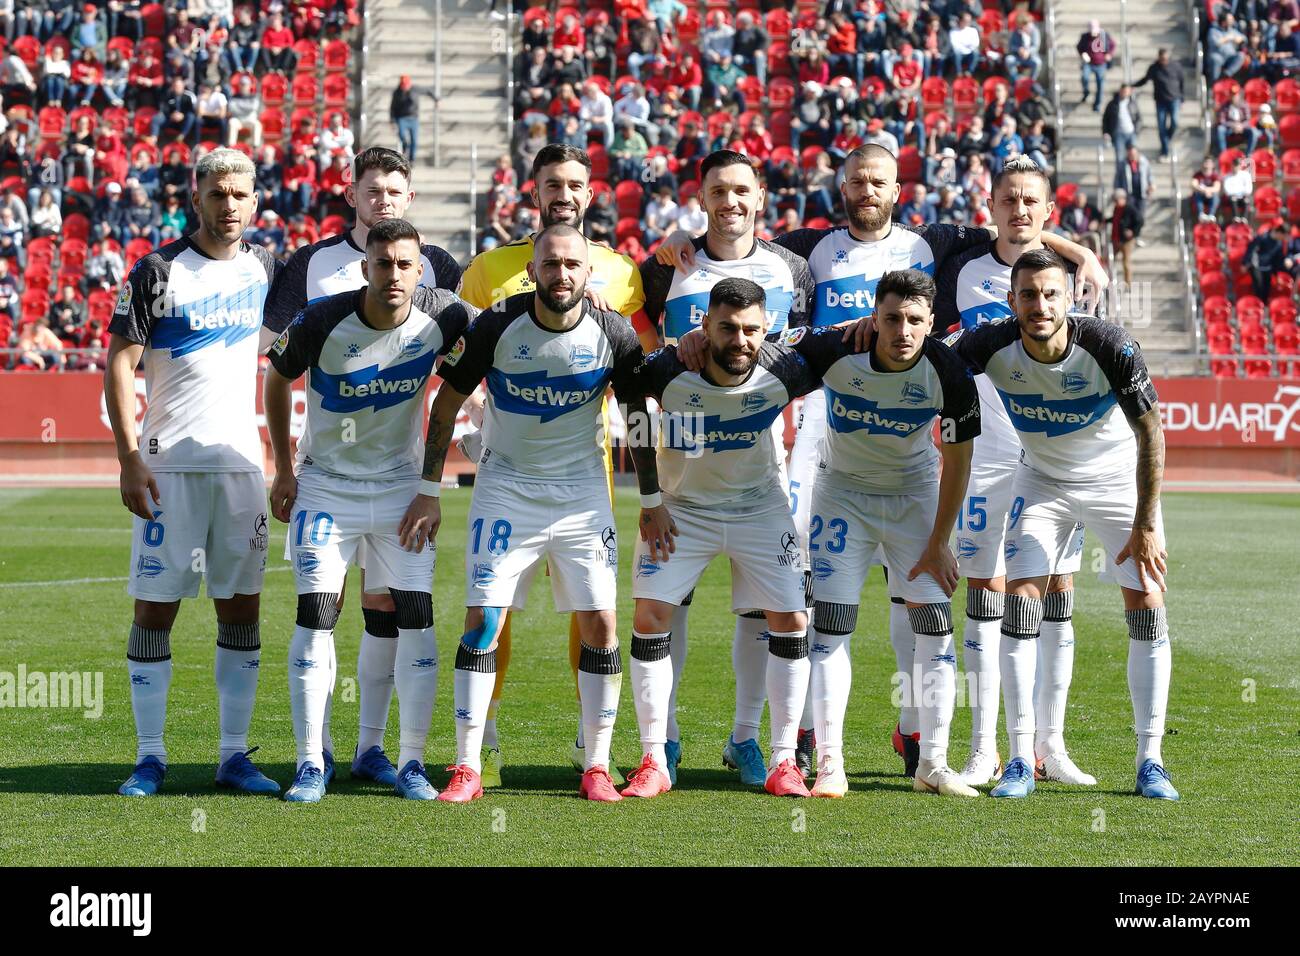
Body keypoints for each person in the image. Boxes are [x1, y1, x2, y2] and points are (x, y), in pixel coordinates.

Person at [658, 147, 1107, 778]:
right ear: (841, 187)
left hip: (906, 438)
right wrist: (682, 241)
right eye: (857, 182)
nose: (867, 191)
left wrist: (1077, 251)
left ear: (898, 189)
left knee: (913, 598)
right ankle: (802, 737)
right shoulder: (803, 249)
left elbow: (1018, 227)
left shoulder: (934, 244)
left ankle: (917, 734)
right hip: (820, 432)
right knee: (800, 592)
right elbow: (734, 243)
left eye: (880, 182)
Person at [408, 223, 660, 804]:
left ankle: (596, 764)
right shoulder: (497, 324)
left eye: (572, 264)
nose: (562, 274)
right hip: (506, 491)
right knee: (484, 620)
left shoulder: (613, 331)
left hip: (581, 495)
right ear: (535, 269)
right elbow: (444, 402)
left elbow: (639, 415)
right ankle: (468, 764)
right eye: (551, 264)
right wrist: (428, 488)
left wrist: (650, 501)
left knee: (600, 623)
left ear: (587, 271)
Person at [261, 146, 461, 787]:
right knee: (317, 614)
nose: (395, 274)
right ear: (364, 265)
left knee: (413, 615)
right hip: (327, 488)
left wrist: (432, 484)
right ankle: (310, 761)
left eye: (406, 264)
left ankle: (404, 760)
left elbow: (492, 344)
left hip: (403, 491)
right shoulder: (323, 315)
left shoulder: (444, 313)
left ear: (421, 266)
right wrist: (286, 469)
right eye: (383, 263)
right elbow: (276, 375)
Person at [948, 247, 1178, 802]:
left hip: (1116, 482)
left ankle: (1151, 759)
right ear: (1011, 301)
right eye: (1028, 294)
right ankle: (1021, 758)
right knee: (1023, 598)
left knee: (1146, 600)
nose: (1040, 304)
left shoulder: (1109, 345)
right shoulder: (988, 344)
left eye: (1051, 293)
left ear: (1069, 297)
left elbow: (1151, 433)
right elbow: (924, 358)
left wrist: (1146, 522)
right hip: (1041, 482)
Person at [104, 148, 281, 799]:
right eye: (217, 193)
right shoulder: (157, 271)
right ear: (197, 194)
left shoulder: (268, 268)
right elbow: (119, 363)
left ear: (254, 200)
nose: (228, 205)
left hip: (240, 467)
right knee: (155, 607)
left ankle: (233, 756)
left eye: (240, 194)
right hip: (168, 468)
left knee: (241, 610)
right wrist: (129, 456)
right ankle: (150, 757)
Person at [636, 151, 815, 785]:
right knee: (665, 608)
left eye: (742, 189)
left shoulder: (792, 267)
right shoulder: (666, 266)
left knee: (763, 611)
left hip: (762, 463)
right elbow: (636, 360)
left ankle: (750, 741)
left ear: (760, 196)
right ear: (701, 197)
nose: (731, 201)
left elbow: (811, 349)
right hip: (682, 461)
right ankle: (666, 745)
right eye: (718, 190)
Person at [619, 278, 827, 799]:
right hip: (682, 511)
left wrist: (869, 325)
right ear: (705, 327)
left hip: (760, 507)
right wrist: (650, 501)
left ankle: (783, 759)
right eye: (727, 328)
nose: (740, 340)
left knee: (791, 619)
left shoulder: (787, 366)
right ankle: (653, 758)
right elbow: (632, 402)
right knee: (650, 616)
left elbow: (842, 341)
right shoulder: (672, 368)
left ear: (768, 329)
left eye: (751, 329)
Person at [932, 156, 1102, 788]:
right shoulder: (961, 267)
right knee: (987, 594)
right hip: (988, 456)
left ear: (1047, 210)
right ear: (991, 205)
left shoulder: (1073, 279)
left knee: (1057, 594)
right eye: (1009, 199)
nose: (1020, 210)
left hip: (1056, 461)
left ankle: (1049, 747)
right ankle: (983, 749)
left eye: (1031, 200)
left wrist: (1077, 252)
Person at [791, 270, 981, 798]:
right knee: (830, 628)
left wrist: (939, 541)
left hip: (914, 498)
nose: (902, 330)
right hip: (841, 495)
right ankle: (830, 763)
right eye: (892, 317)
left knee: (935, 628)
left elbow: (959, 462)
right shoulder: (834, 349)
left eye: (915, 320)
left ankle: (933, 765)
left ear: (931, 325)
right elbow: (767, 358)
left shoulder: (949, 372)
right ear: (874, 317)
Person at [1133, 49, 1186, 161]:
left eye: (1166, 59)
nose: (1164, 61)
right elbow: (1145, 80)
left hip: (1174, 99)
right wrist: (1133, 85)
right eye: (1162, 59)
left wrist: (1182, 99)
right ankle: (1165, 151)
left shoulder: (1176, 66)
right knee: (1161, 127)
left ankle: (1167, 139)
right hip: (1160, 101)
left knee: (1174, 122)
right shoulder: (1154, 68)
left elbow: (1182, 82)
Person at [1076, 20, 1116, 112]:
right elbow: (1079, 47)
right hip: (1089, 63)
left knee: (1100, 85)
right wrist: (1083, 54)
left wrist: (1109, 54)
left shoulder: (1103, 35)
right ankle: (1086, 92)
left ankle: (1097, 104)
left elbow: (1113, 45)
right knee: (1084, 78)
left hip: (1101, 64)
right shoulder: (1085, 36)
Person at [1245, 221, 1289, 300]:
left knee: (1266, 292)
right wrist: (1246, 262)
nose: (1284, 238)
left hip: (1268, 269)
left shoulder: (1279, 244)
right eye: (1284, 235)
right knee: (1258, 290)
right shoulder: (1262, 238)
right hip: (1257, 267)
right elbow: (1251, 250)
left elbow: (1276, 260)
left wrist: (1276, 274)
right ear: (1279, 233)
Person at [1102, 84, 1142, 169]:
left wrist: (1136, 131)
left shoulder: (1132, 104)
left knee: (1134, 156)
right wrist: (1106, 132)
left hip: (1131, 133)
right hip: (1118, 134)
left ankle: (1134, 175)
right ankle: (1120, 178)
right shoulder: (1112, 104)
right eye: (1123, 91)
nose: (1125, 93)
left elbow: (1138, 119)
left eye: (1127, 92)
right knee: (1120, 158)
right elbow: (1105, 119)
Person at [1108, 187, 1143, 284]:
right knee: (1109, 260)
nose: (1115, 202)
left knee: (1126, 262)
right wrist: (1105, 221)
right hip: (1116, 239)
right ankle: (1109, 281)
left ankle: (1128, 284)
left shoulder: (1129, 208)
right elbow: (1115, 219)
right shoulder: (1117, 208)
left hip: (1126, 241)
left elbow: (1140, 220)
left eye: (1116, 199)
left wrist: (1133, 232)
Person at [1115, 144, 1155, 221]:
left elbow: (1149, 175)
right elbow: (1117, 179)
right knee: (1130, 215)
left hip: (1142, 193)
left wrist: (1151, 184)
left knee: (1140, 216)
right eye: (1130, 154)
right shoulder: (1123, 164)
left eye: (1133, 154)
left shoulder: (1144, 162)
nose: (1132, 156)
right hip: (1129, 194)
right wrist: (1119, 193)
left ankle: (1137, 231)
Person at [1215, 89, 1260, 155]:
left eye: (1235, 94)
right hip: (1229, 128)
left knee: (1254, 131)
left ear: (1239, 95)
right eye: (1232, 94)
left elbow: (1248, 120)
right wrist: (1233, 125)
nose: (1234, 96)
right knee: (1220, 129)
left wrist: (1241, 126)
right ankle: (1223, 154)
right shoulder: (1225, 106)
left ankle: (1248, 154)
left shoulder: (1244, 105)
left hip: (1242, 128)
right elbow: (1222, 121)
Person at [390, 75, 422, 163]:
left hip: (413, 118)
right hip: (402, 118)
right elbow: (393, 107)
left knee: (414, 140)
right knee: (401, 135)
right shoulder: (397, 93)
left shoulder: (415, 90)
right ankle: (405, 148)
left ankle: (412, 159)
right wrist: (392, 121)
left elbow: (427, 90)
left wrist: (436, 98)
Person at [1207, 13, 1248, 81]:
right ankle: (1215, 82)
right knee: (1216, 59)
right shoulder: (1213, 31)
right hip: (1218, 56)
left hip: (1230, 57)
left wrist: (1239, 39)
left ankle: (1226, 74)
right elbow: (1215, 43)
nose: (1233, 21)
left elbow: (1244, 39)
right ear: (1223, 22)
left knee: (1241, 55)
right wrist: (1228, 38)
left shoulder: (1232, 30)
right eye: (1230, 19)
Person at [1192, 157, 1222, 222]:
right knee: (1197, 194)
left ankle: (1211, 215)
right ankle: (1201, 215)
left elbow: (1217, 188)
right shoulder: (1197, 175)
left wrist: (1208, 190)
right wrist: (1205, 191)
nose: (1207, 164)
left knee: (1215, 196)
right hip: (1201, 196)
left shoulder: (1215, 176)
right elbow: (1194, 185)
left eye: (1209, 163)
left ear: (1213, 165)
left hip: (1211, 196)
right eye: (1206, 162)